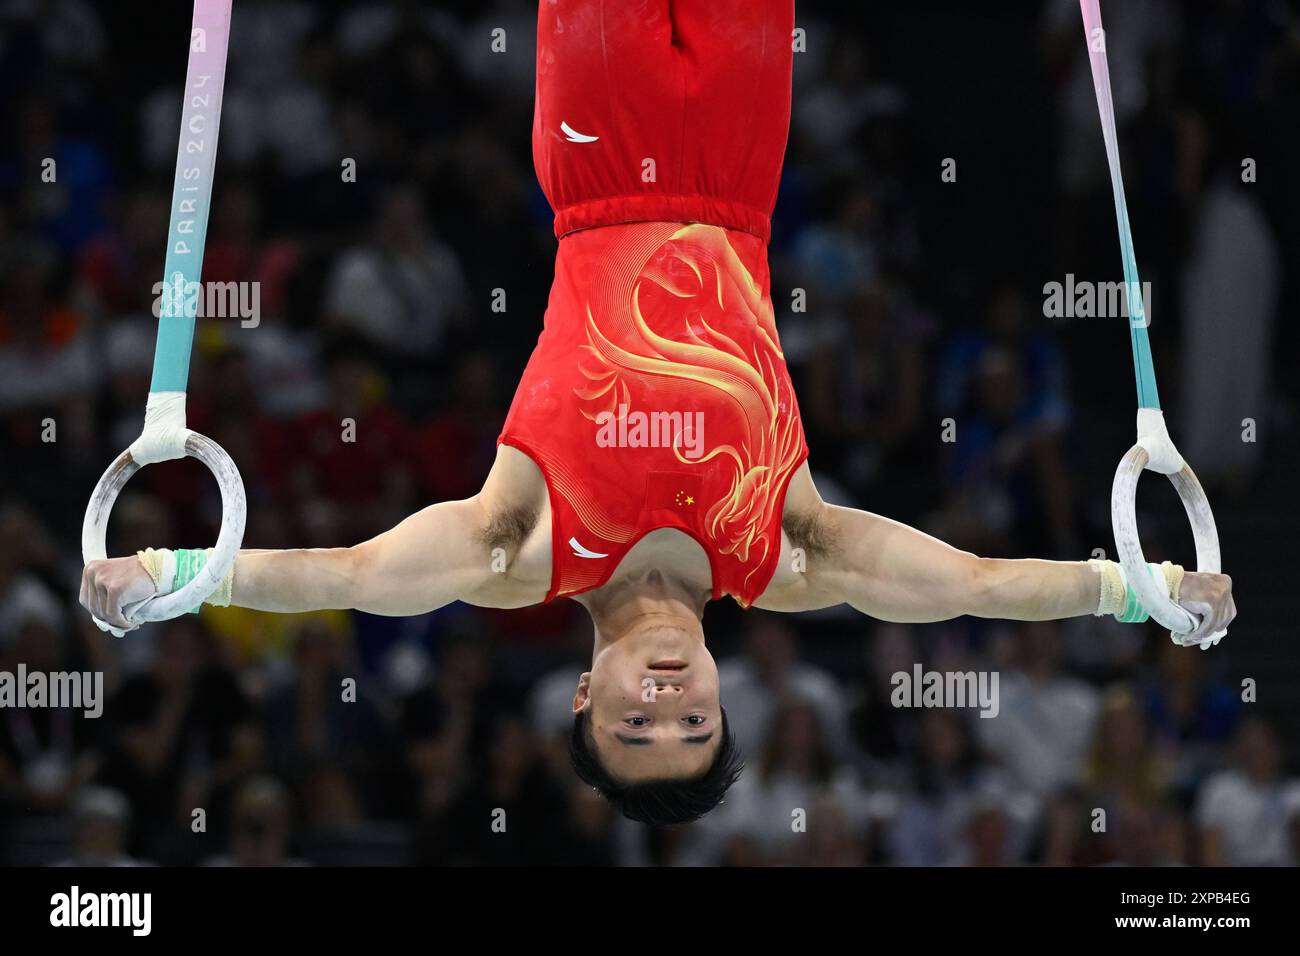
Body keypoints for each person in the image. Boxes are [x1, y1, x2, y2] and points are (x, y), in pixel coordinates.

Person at [81, 0, 1236, 826]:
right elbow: (981, 588)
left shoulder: (518, 549)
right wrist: (1140, 589)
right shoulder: (782, 552)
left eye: (635, 724)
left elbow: (343, 570)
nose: (669, 703)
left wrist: (173, 571)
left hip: (602, 152)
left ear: (584, 692)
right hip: (740, 164)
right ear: (729, 700)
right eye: (693, 726)